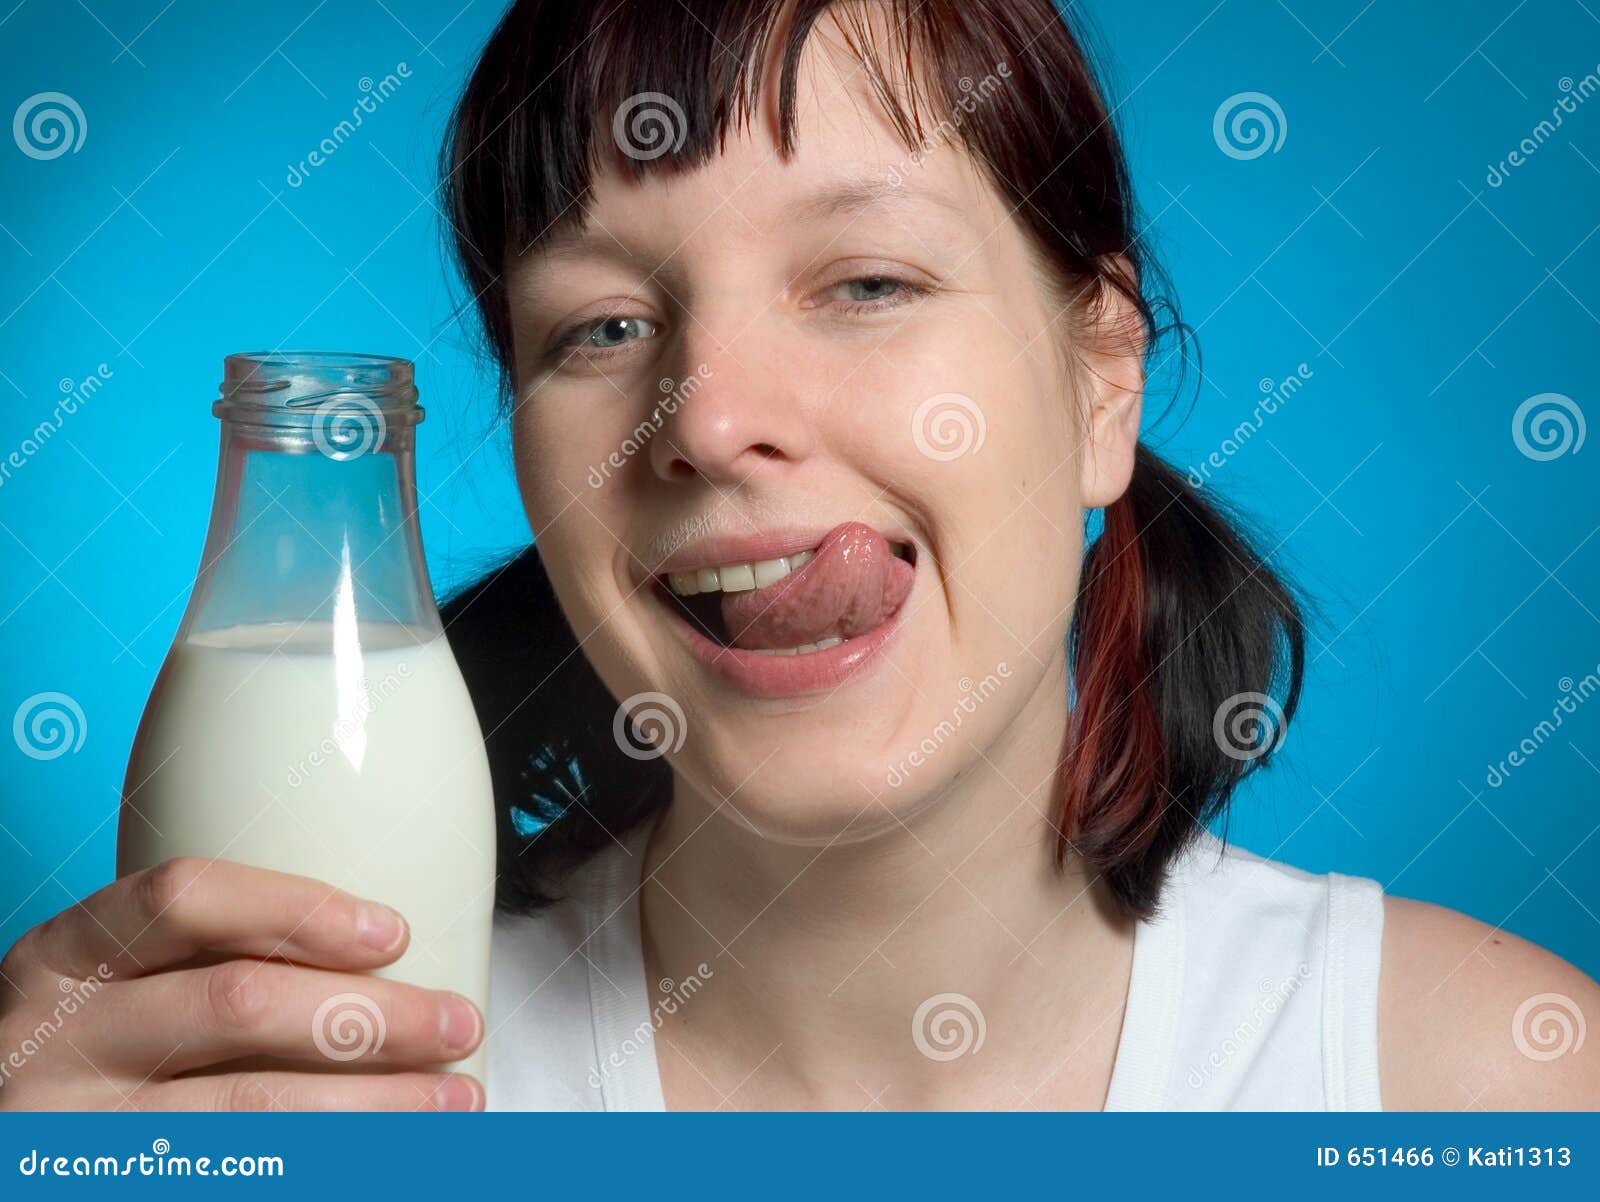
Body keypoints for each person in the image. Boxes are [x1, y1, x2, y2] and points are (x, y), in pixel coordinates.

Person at [2, 0, 1595, 1112]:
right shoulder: (331, 1084)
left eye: (868, 281)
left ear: (1102, 374)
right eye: (604, 326)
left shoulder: (1490, 1081)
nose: (708, 420)